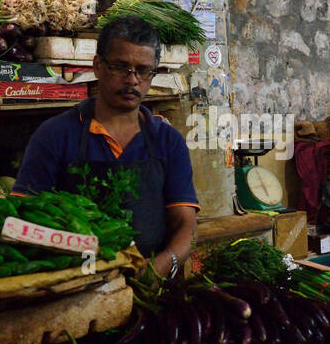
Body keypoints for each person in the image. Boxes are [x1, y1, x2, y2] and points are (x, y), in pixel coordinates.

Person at [13, 16, 198, 279]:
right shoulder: (55, 135)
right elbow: (23, 219)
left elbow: (186, 225)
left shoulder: (167, 141)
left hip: (149, 283)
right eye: (121, 67)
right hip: (76, 285)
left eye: (143, 70)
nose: (132, 80)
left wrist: (163, 265)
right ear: (98, 66)